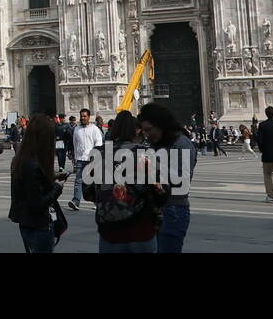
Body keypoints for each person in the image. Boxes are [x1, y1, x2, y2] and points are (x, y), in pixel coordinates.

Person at [93, 111, 164, 253]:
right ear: (135, 131)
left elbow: (88, 192)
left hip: (110, 232)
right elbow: (160, 190)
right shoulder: (145, 153)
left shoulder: (98, 153)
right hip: (141, 229)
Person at [138, 102, 196, 253]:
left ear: (161, 125)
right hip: (152, 209)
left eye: (149, 130)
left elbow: (182, 180)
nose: (146, 134)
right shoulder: (156, 144)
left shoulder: (182, 144)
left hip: (173, 210)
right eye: (144, 131)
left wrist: (153, 164)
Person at [8, 114, 64, 252]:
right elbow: (37, 203)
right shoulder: (32, 165)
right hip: (38, 225)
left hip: (26, 223)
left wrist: (50, 177)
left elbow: (30, 186)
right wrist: (57, 187)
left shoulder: (20, 159)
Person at [68, 108, 103, 211]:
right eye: (81, 116)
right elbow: (75, 144)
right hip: (80, 159)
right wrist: (75, 157)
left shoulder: (94, 129)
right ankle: (76, 201)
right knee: (78, 181)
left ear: (89, 117)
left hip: (91, 159)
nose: (82, 118)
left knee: (93, 181)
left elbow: (99, 143)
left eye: (84, 116)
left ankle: (97, 202)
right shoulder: (76, 129)